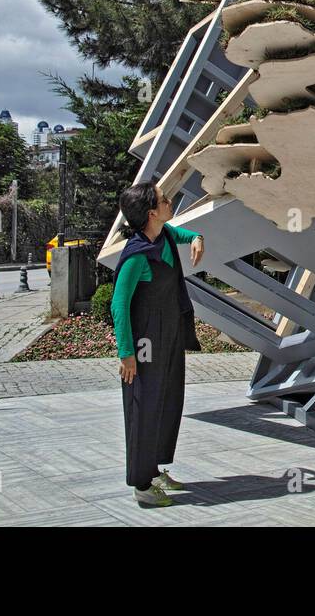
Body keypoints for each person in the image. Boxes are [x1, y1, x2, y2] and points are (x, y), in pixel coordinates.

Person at [112, 180, 205, 507]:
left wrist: (196, 237)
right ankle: (142, 485)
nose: (171, 202)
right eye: (165, 200)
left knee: (166, 402)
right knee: (144, 408)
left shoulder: (163, 234)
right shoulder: (137, 255)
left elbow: (182, 234)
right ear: (152, 213)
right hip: (145, 341)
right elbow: (119, 305)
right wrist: (126, 354)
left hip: (169, 333)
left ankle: (152, 470)